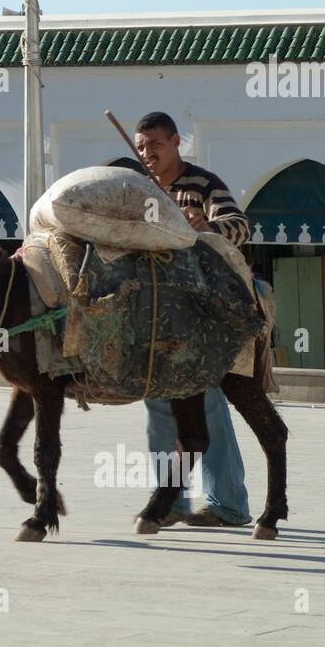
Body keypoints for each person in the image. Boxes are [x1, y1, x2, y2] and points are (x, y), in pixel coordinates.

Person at [133, 111, 252, 527]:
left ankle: (229, 504)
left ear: (176, 141)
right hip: (155, 314)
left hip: (200, 313)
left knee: (207, 405)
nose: (148, 153)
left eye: (155, 145)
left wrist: (208, 225)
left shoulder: (203, 184)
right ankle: (172, 502)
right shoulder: (138, 189)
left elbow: (240, 227)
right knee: (157, 406)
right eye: (142, 146)